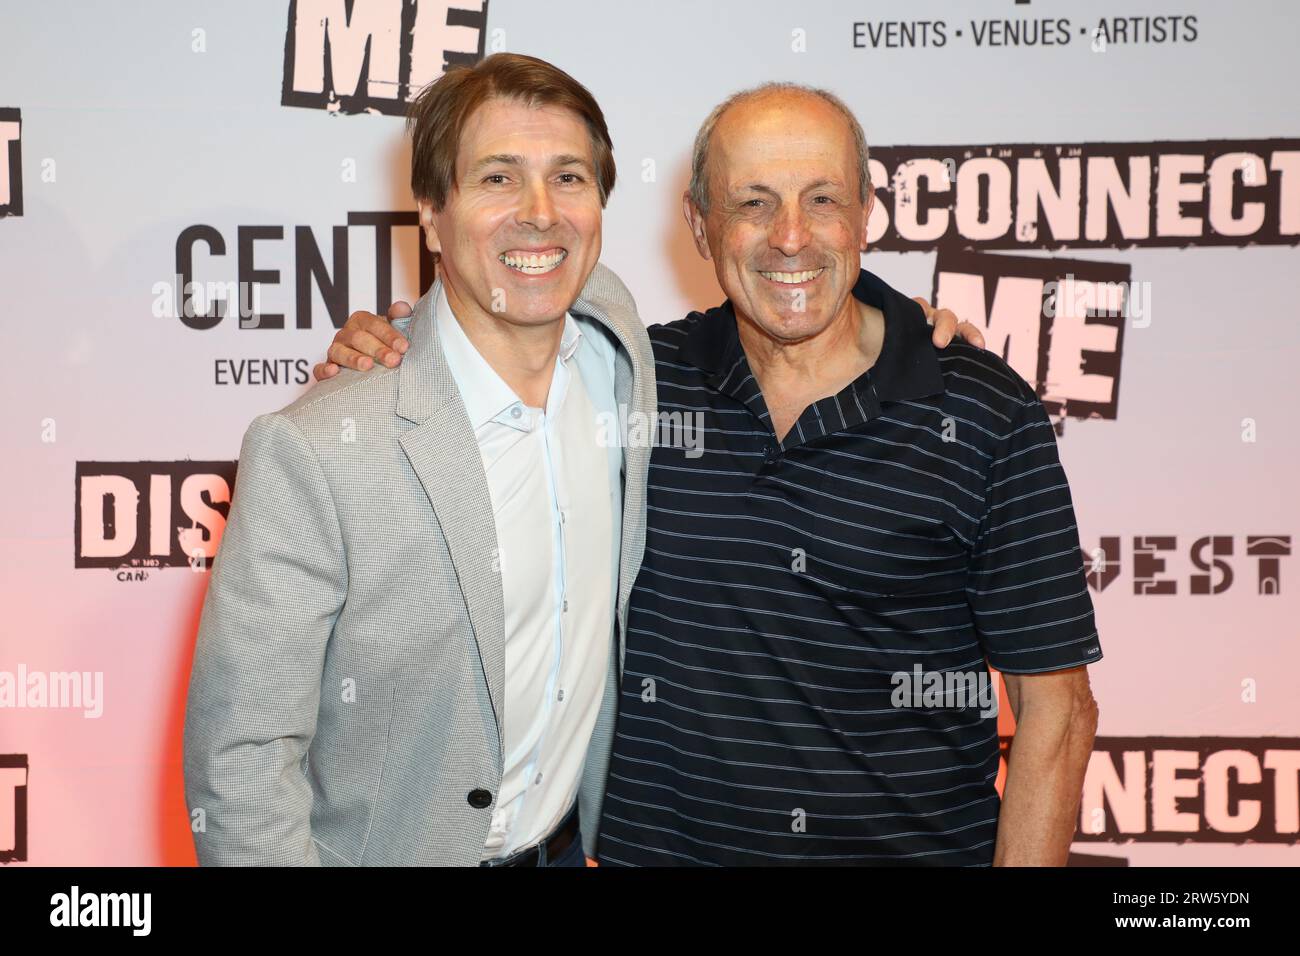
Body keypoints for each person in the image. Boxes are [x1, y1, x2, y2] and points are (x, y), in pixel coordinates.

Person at [321, 80, 1101, 867]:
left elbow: (1056, 713)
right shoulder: (629, 379)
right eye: (753, 203)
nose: (790, 238)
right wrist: (392, 346)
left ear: (868, 210)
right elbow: (488, 334)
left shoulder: (980, 409)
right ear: (699, 223)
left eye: (823, 199)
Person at [182, 53, 657, 866]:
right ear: (432, 215)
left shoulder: (621, 352)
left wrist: (920, 331)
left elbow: (787, 305)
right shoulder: (318, 449)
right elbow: (242, 763)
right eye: (499, 179)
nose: (540, 215)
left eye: (569, 178)